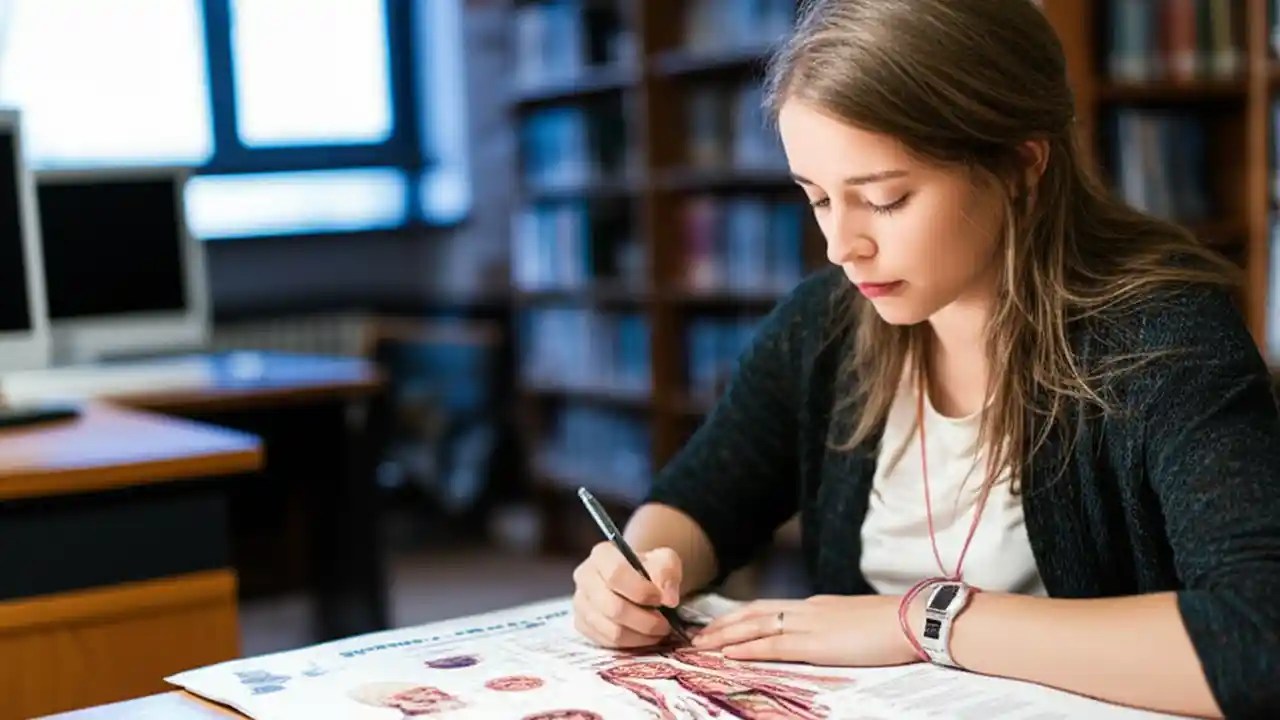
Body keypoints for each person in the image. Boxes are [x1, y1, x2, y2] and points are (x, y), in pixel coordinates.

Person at [568, 1, 1280, 718]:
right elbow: (698, 503)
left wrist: (926, 620)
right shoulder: (823, 326)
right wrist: (635, 572)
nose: (841, 247)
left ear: (1021, 165)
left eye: (885, 199)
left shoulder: (1165, 336)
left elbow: (1257, 641)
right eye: (818, 199)